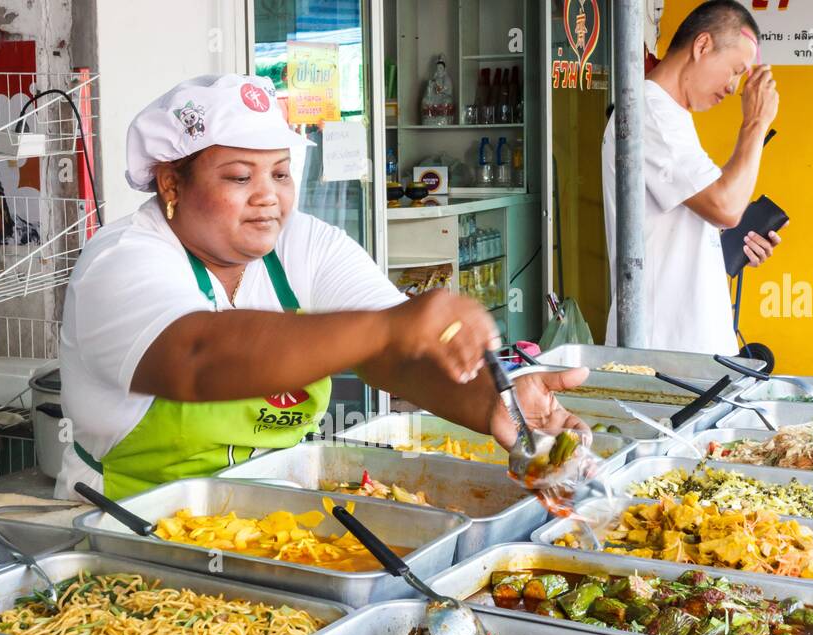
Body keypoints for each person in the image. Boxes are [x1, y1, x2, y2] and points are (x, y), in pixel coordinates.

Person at [55, 74, 588, 500]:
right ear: (172, 183)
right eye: (241, 178)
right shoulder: (122, 261)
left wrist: (490, 403)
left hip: (272, 523)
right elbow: (197, 357)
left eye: (280, 175)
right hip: (129, 532)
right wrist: (390, 326)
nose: (268, 198)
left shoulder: (305, 245)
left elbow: (397, 360)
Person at [602, 0, 781, 354]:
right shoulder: (649, 112)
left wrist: (739, 241)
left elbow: (711, 215)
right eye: (734, 70)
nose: (733, 88)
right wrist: (755, 123)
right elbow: (725, 206)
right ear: (702, 46)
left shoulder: (671, 116)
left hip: (689, 347)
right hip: (666, 351)